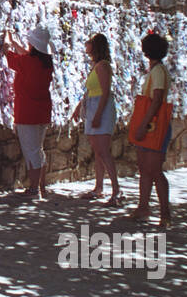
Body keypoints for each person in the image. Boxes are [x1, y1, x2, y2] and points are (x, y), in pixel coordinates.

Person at [3, 27, 54, 201]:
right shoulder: (46, 63)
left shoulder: (28, 62)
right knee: (38, 150)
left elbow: (9, 56)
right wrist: (17, 44)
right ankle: (41, 186)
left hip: (27, 112)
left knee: (31, 151)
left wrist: (7, 40)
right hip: (42, 112)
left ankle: (34, 189)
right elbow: (26, 56)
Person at [128, 31, 172, 228]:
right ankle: (143, 208)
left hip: (154, 126)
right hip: (150, 125)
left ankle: (165, 214)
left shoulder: (158, 72)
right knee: (145, 169)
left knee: (154, 170)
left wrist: (143, 125)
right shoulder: (155, 71)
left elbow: (157, 100)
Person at [71, 32, 119, 203]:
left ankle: (116, 190)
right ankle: (99, 187)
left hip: (101, 109)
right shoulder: (96, 65)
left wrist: (98, 115)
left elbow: (105, 92)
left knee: (103, 151)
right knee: (98, 152)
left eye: (89, 42)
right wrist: (79, 108)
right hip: (93, 106)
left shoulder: (103, 66)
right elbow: (90, 91)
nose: (86, 44)